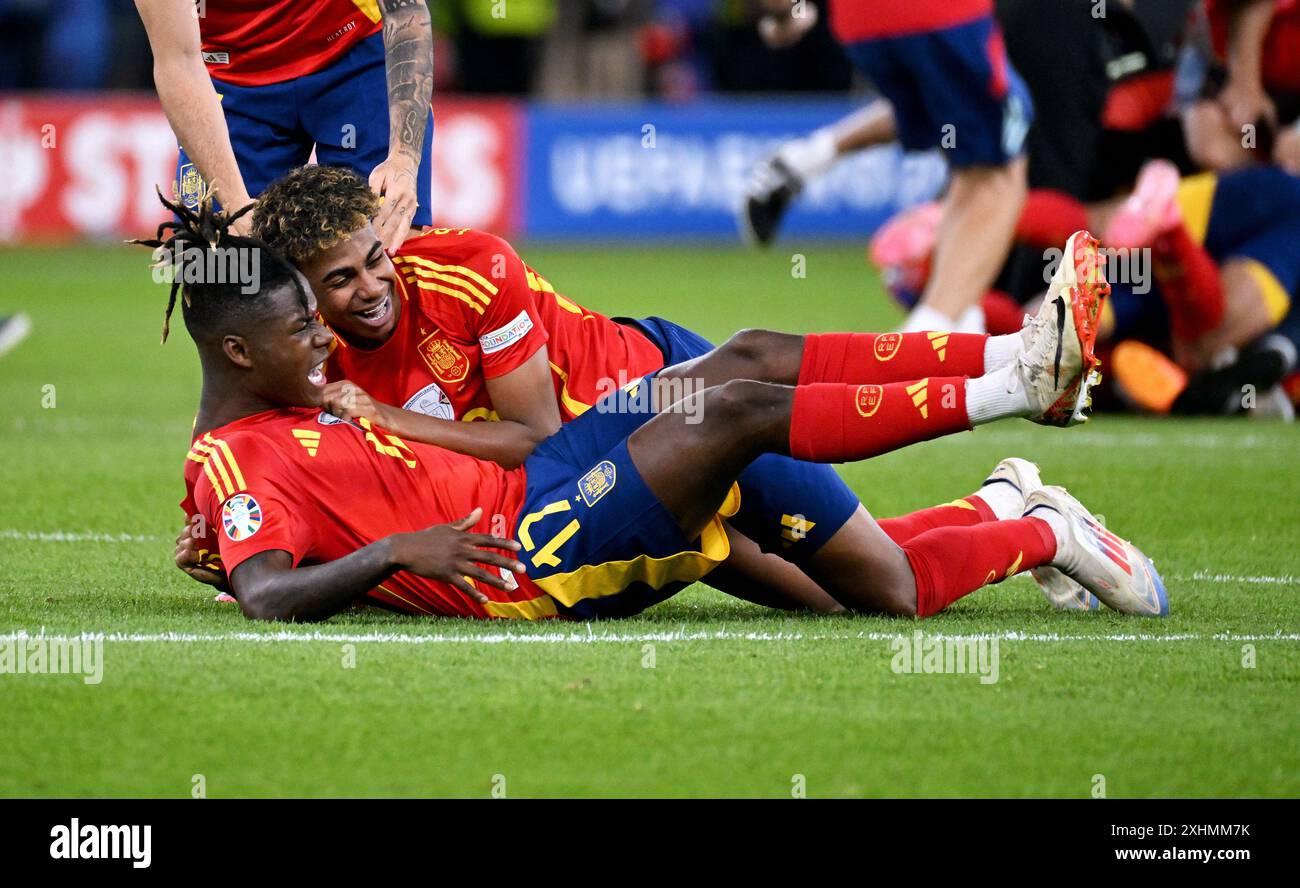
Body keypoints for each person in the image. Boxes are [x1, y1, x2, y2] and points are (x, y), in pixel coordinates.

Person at [142, 196, 1167, 621]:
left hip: (625, 405)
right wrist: (384, 554)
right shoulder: (259, 437)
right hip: (557, 506)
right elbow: (266, 572)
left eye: (371, 264)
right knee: (877, 590)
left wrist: (388, 515)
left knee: (747, 378)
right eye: (321, 302)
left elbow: (529, 427)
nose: (349, 309)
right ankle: (1026, 520)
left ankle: (1013, 376)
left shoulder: (455, 271)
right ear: (251, 342)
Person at [741, 0, 1031, 334]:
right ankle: (927, 337)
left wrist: (783, 10)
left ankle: (960, 321)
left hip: (861, 22)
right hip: (946, 14)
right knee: (997, 175)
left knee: (967, 158)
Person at [133, 0, 434, 249]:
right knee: (216, 269)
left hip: (354, 54)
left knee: (391, 252)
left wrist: (404, 158)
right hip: (231, 77)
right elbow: (178, 64)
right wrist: (237, 205)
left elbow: (405, 11)